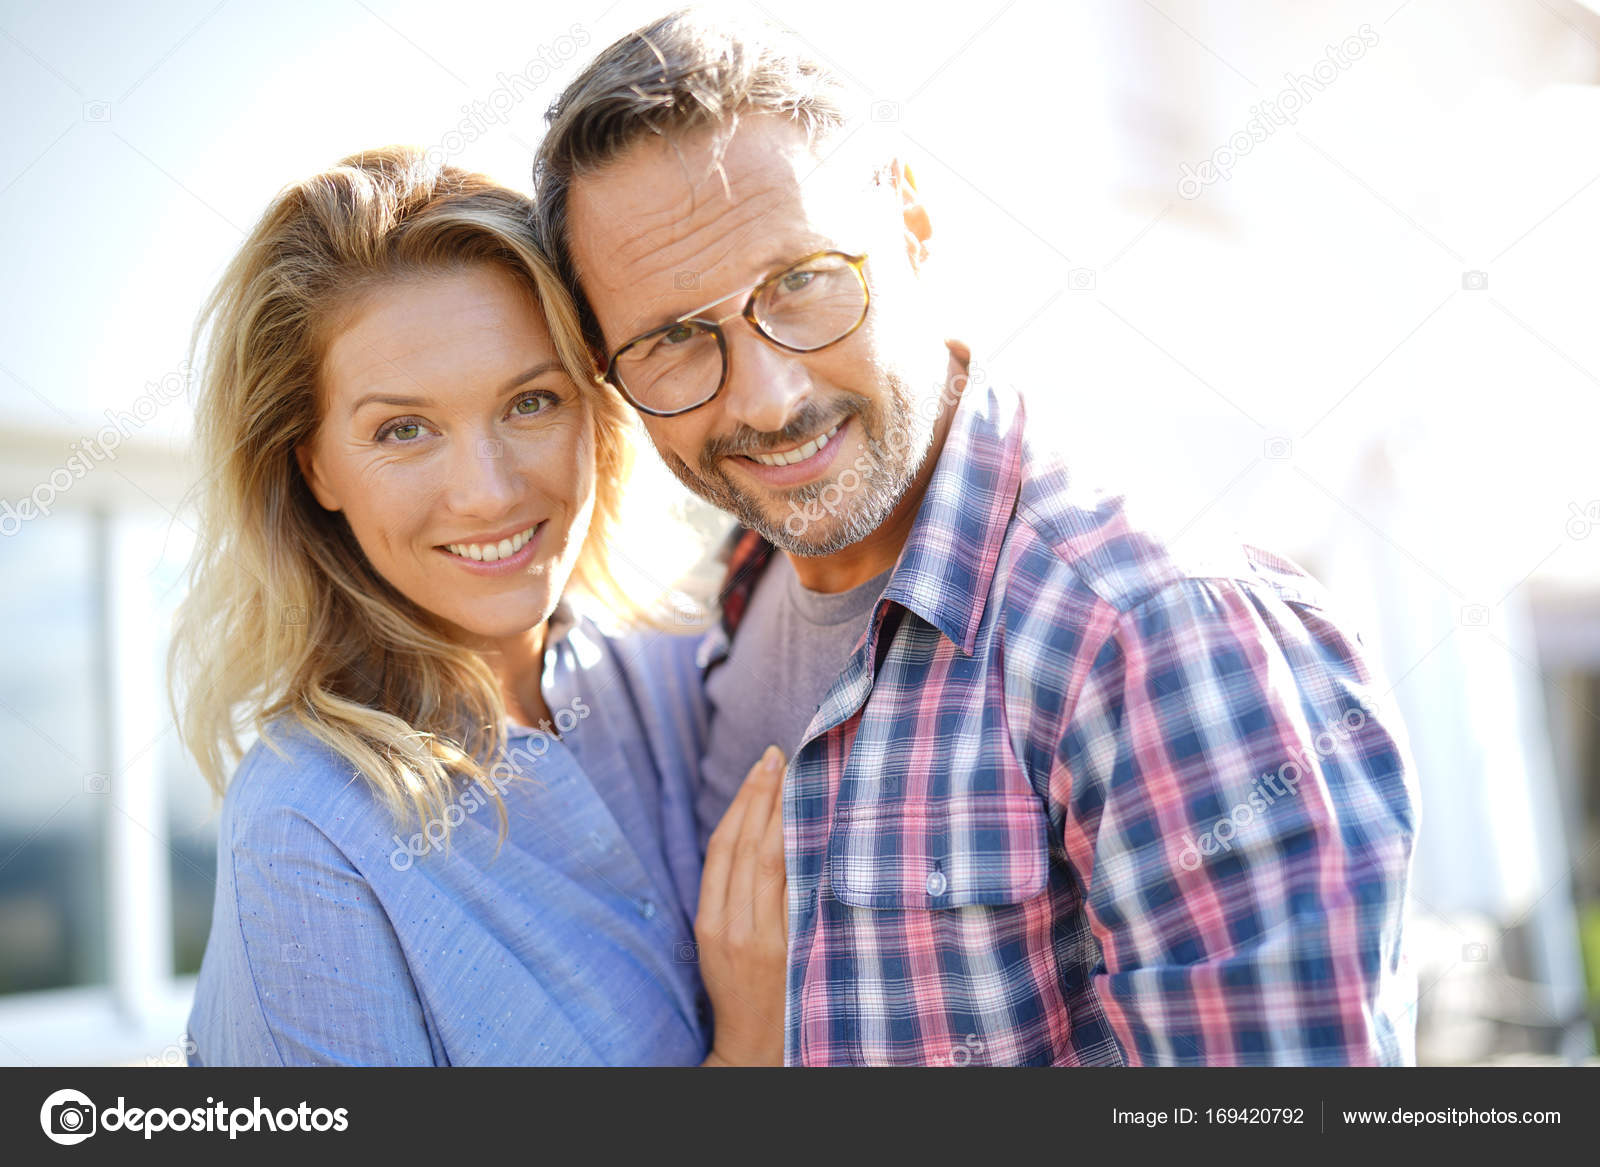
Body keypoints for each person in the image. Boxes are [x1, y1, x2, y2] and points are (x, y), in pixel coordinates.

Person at [533, 9, 1421, 1066]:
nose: (768, 401)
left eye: (801, 281)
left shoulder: (1154, 635)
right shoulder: (738, 582)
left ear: (906, 217)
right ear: (606, 371)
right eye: (673, 340)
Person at [171, 147, 786, 1066]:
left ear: (595, 406)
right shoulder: (305, 831)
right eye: (403, 429)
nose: (489, 493)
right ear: (312, 464)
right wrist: (749, 1046)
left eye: (530, 401)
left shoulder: (673, 670)